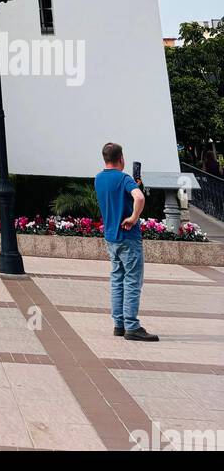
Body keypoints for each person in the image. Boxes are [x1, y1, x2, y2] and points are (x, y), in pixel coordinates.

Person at [94, 142, 159, 343]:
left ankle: (119, 324)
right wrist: (133, 217)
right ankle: (132, 326)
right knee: (132, 281)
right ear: (121, 158)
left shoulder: (98, 179)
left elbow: (117, 199)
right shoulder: (124, 178)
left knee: (117, 279)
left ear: (105, 159)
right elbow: (138, 198)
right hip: (128, 237)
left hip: (111, 237)